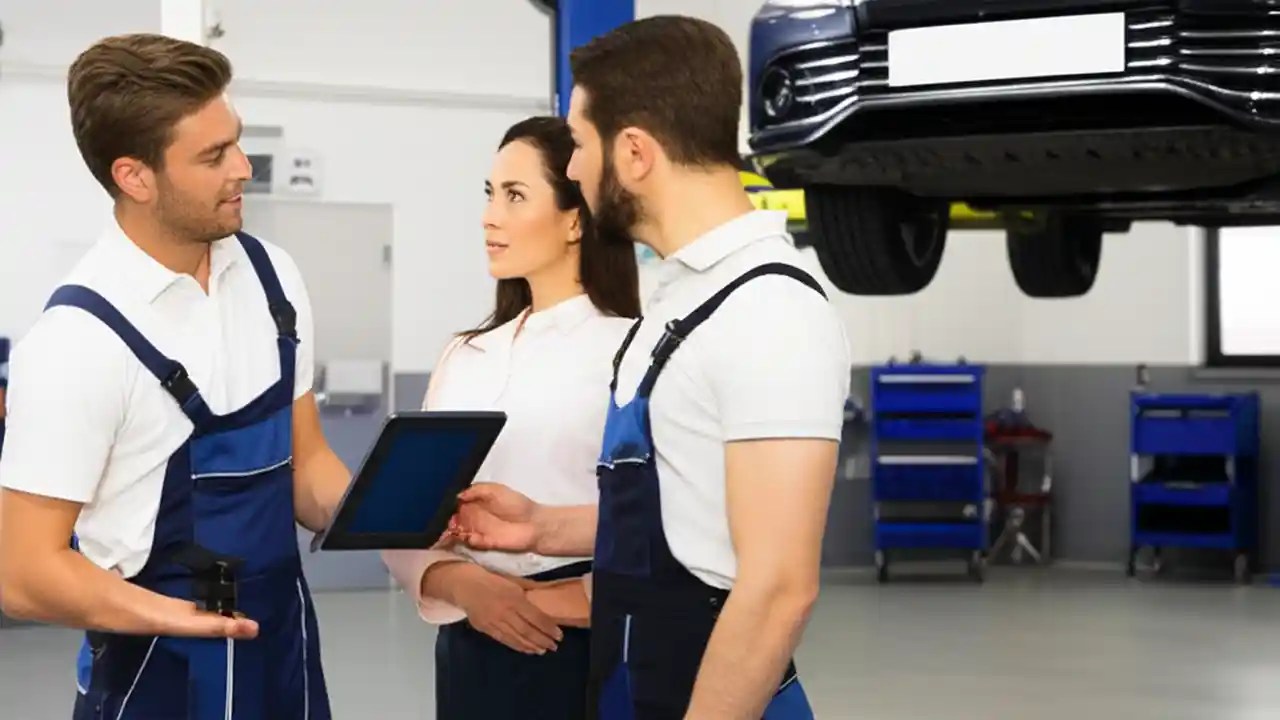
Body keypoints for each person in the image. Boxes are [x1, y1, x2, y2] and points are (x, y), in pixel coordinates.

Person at [448, 15, 852, 720]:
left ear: (634, 153)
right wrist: (544, 528)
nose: (572, 170)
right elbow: (684, 523)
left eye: (578, 145)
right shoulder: (677, 298)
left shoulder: (769, 311)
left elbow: (778, 588)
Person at [0, 34, 352, 719]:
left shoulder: (273, 278)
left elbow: (306, 470)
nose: (244, 168)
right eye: (213, 156)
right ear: (135, 176)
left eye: (237, 142)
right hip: (157, 672)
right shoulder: (77, 340)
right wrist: (174, 618)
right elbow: (22, 572)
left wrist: (402, 516)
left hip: (283, 651)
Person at [382, 115, 641, 720]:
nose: (489, 216)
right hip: (472, 642)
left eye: (515, 196)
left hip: (585, 642)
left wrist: (552, 601)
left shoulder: (633, 350)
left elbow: (666, 522)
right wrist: (463, 586)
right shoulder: (465, 354)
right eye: (490, 194)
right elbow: (403, 521)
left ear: (575, 219)